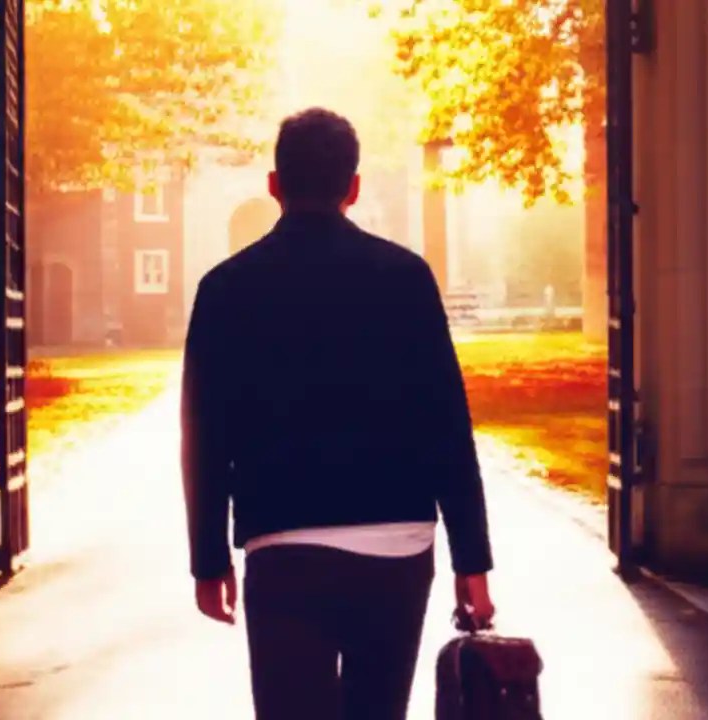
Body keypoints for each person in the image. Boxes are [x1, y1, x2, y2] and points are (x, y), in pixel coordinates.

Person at [181, 107, 495, 720]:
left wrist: (208, 559)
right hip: (396, 544)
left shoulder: (225, 287)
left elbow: (204, 438)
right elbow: (447, 428)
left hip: (283, 543)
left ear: (275, 185)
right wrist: (472, 561)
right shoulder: (407, 278)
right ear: (353, 187)